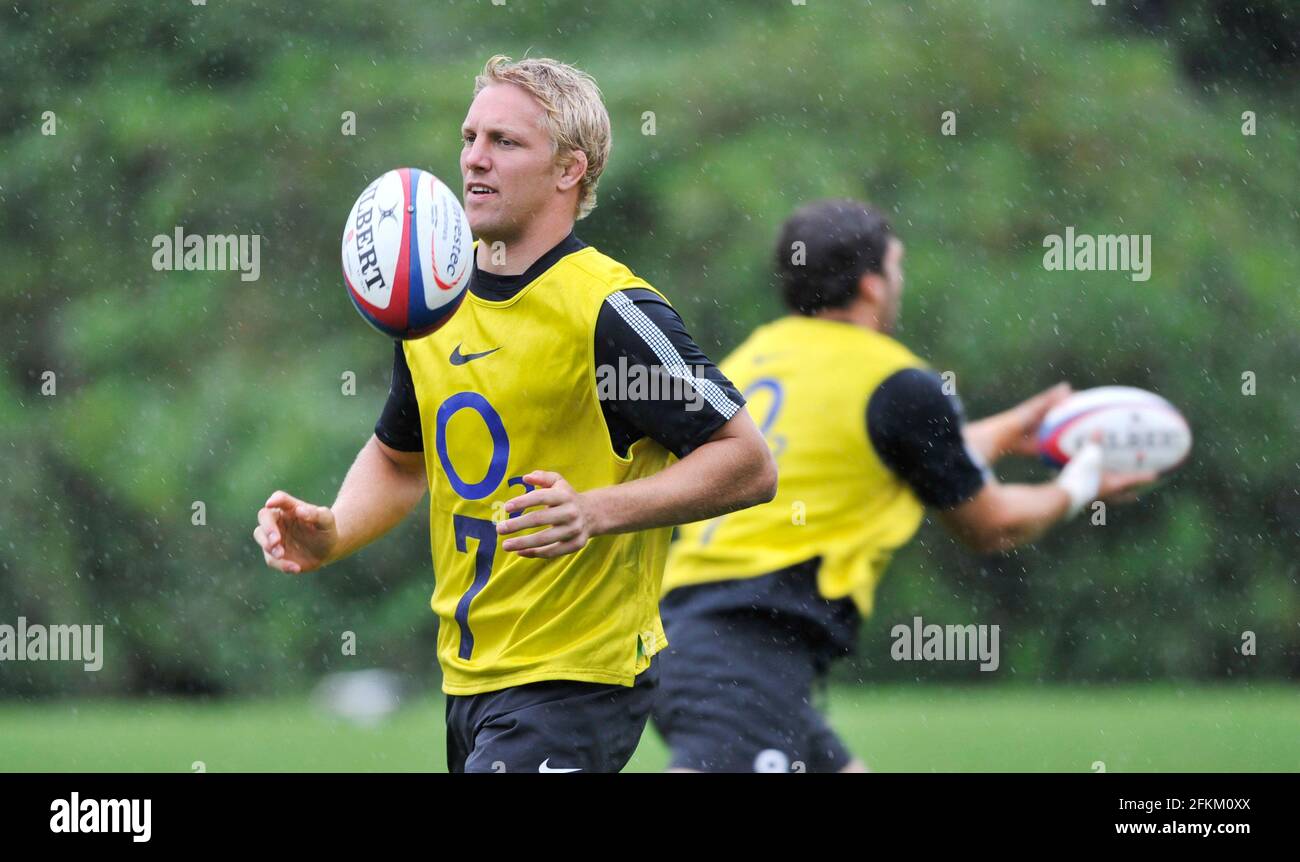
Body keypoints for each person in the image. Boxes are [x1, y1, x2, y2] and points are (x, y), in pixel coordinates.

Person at [252, 55, 776, 773]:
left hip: (575, 681)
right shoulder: (433, 296)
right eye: (469, 137)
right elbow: (401, 460)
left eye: (504, 142)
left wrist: (594, 511)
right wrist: (333, 532)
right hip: (470, 683)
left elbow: (747, 462)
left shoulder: (610, 313)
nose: (474, 159)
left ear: (569, 169)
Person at [651, 199, 1155, 773]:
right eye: (896, 268)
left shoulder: (754, 358)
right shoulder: (896, 382)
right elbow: (993, 525)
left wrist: (1003, 431)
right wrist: (1081, 482)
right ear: (871, 286)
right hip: (747, 651)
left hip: (696, 638)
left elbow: (866, 456)